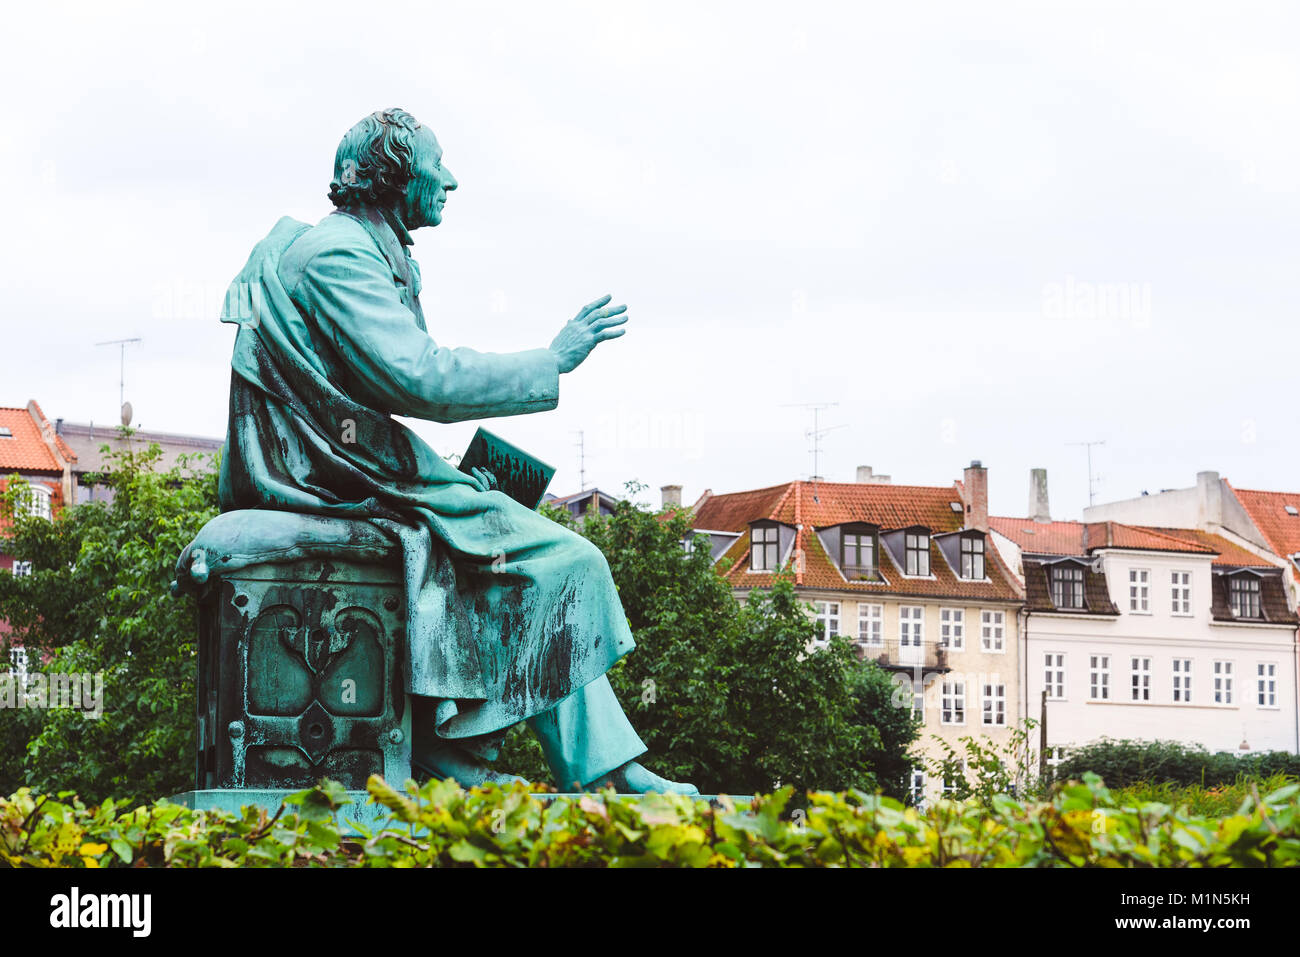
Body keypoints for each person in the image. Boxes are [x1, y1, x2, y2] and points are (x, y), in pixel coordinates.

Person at [216, 108, 695, 794]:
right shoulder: (339, 254)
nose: (451, 181)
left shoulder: (370, 249)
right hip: (327, 475)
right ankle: (601, 772)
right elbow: (418, 376)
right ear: (392, 176)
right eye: (436, 167)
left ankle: (469, 750)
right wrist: (549, 360)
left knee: (507, 534)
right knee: (568, 559)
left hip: (347, 462)